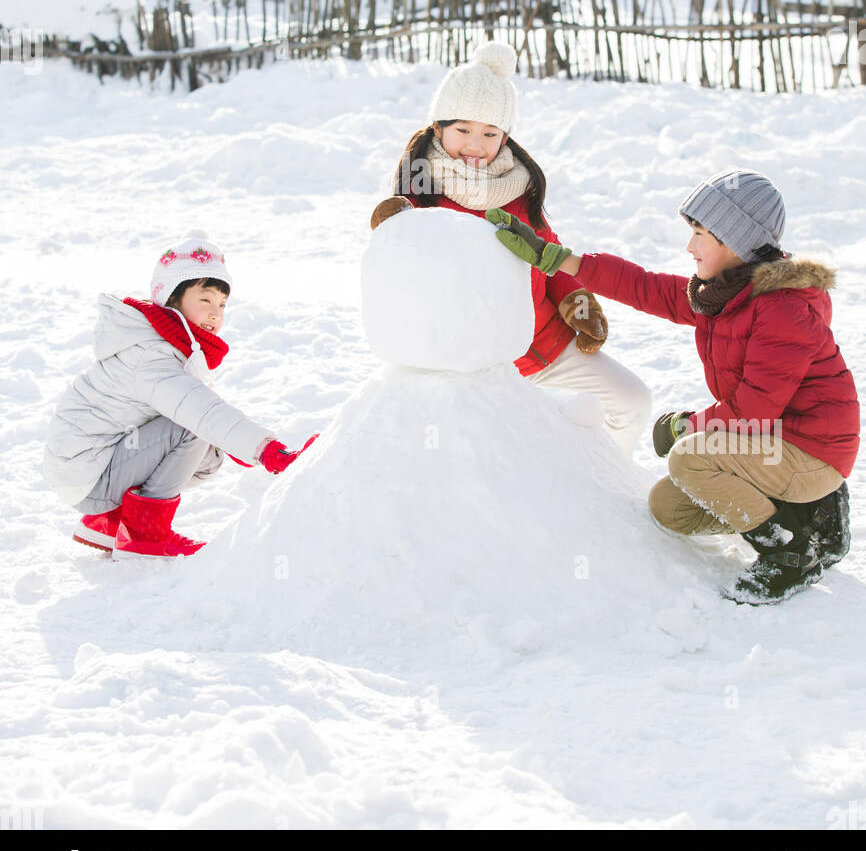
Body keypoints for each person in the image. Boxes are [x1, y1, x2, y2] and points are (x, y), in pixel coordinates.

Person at [486, 168, 859, 604]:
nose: (690, 246)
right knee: (671, 509)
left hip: (814, 450)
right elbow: (645, 287)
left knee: (692, 459)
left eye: (701, 233)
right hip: (777, 444)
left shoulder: (782, 310)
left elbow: (753, 413)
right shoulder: (725, 292)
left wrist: (688, 425)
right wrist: (556, 259)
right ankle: (812, 513)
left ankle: (790, 552)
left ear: (735, 240)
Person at [372, 40, 652, 454]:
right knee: (493, 453)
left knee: (631, 400)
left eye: (490, 133)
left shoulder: (516, 188)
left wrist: (575, 298)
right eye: (463, 130)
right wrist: (391, 229)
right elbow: (398, 278)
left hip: (547, 344)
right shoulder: (420, 196)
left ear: (505, 136)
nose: (475, 144)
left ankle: (604, 482)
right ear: (438, 128)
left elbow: (548, 255)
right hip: (469, 366)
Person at [43, 231, 316, 560]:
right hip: (88, 473)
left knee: (207, 456)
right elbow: (202, 411)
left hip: (89, 466)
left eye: (222, 304)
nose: (215, 313)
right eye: (205, 300)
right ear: (172, 300)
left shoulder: (168, 346)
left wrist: (236, 446)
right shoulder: (152, 356)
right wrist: (268, 451)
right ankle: (143, 534)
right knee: (192, 427)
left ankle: (108, 522)